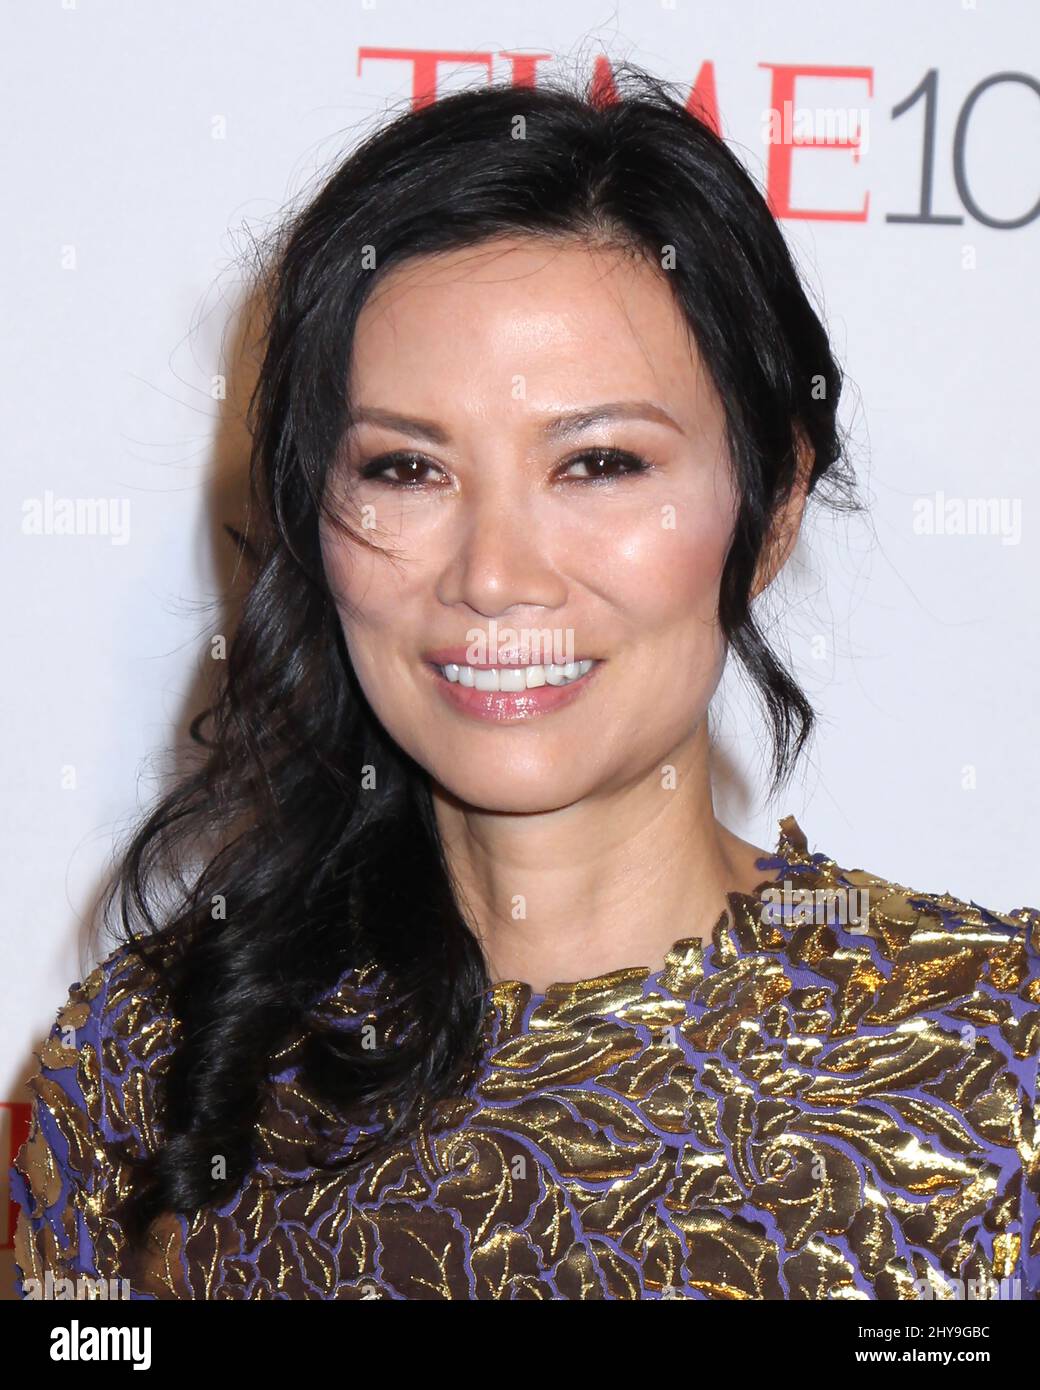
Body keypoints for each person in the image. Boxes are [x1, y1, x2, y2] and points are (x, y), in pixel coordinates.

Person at [11, 66, 1040, 1302]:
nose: (494, 577)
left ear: (767, 510)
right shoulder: (148, 1058)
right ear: (313, 523)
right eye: (404, 469)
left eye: (597, 462)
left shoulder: (995, 1054)